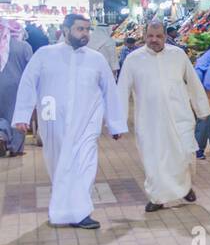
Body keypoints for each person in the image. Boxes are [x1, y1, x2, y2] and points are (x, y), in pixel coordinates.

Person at [11, 13, 127, 229]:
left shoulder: (96, 59)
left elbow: (109, 91)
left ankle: (82, 213)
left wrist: (115, 124)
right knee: (60, 167)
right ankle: (64, 212)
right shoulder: (45, 55)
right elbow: (28, 83)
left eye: (87, 29)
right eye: (80, 29)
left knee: (85, 167)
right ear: (65, 30)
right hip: (53, 122)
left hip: (87, 124)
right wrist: (22, 116)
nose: (85, 34)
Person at [118, 20, 210, 212]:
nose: (154, 40)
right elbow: (122, 90)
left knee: (185, 155)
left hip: (180, 116)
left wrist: (202, 109)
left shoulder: (178, 55)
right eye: (150, 36)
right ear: (144, 36)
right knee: (154, 159)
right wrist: (118, 123)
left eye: (158, 36)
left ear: (165, 37)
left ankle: (184, 188)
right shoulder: (133, 59)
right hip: (150, 120)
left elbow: (193, 82)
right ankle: (158, 197)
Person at [0, 20, 33, 157]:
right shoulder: (24, 46)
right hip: (17, 87)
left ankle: (2, 136)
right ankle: (15, 148)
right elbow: (31, 69)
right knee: (17, 115)